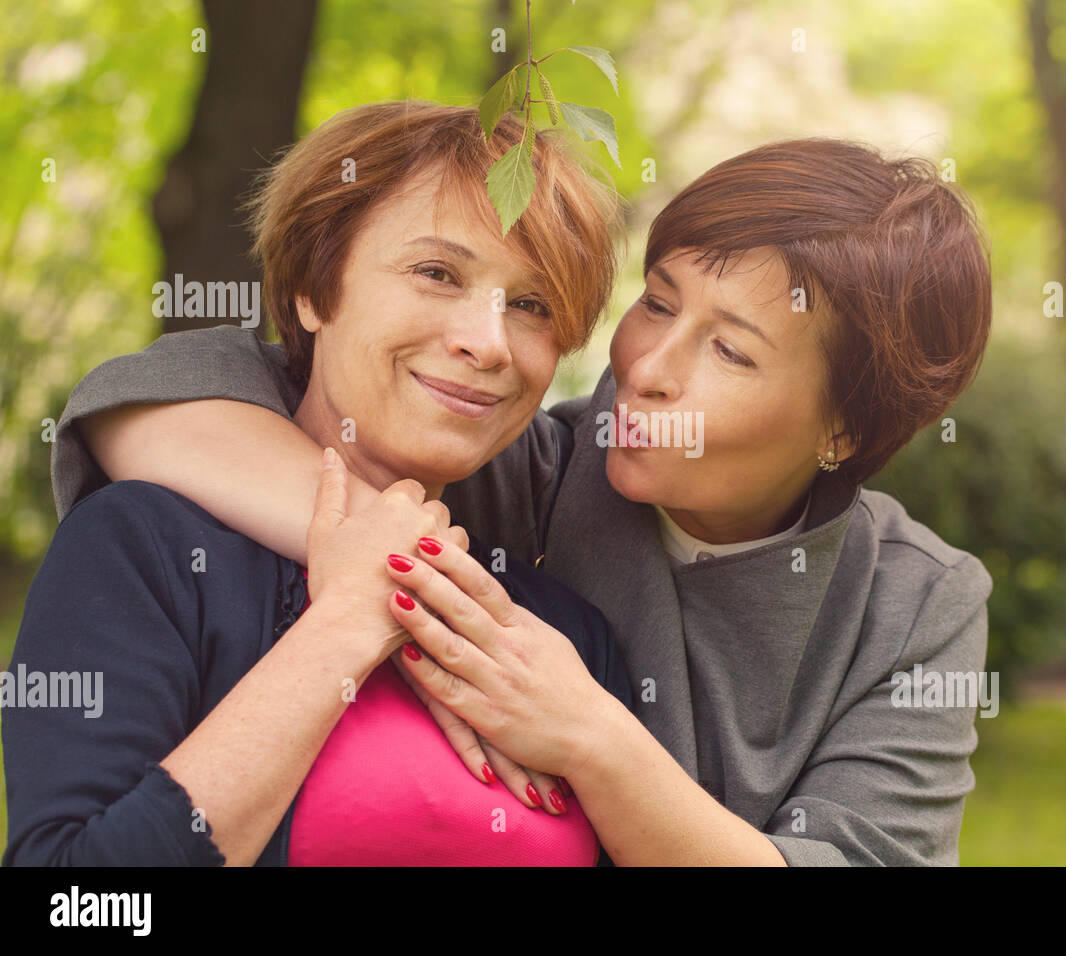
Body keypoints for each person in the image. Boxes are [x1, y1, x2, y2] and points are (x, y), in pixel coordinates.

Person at [45, 137, 995, 865]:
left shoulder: (914, 605)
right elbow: (146, 406)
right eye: (658, 304)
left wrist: (589, 735)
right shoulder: (532, 468)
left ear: (847, 434)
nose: (646, 372)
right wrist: (390, 563)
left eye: (731, 350)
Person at [1, 100, 633, 866]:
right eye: (436, 273)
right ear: (312, 288)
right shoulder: (143, 550)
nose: (488, 342)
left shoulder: (561, 635)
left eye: (530, 305)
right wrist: (348, 624)